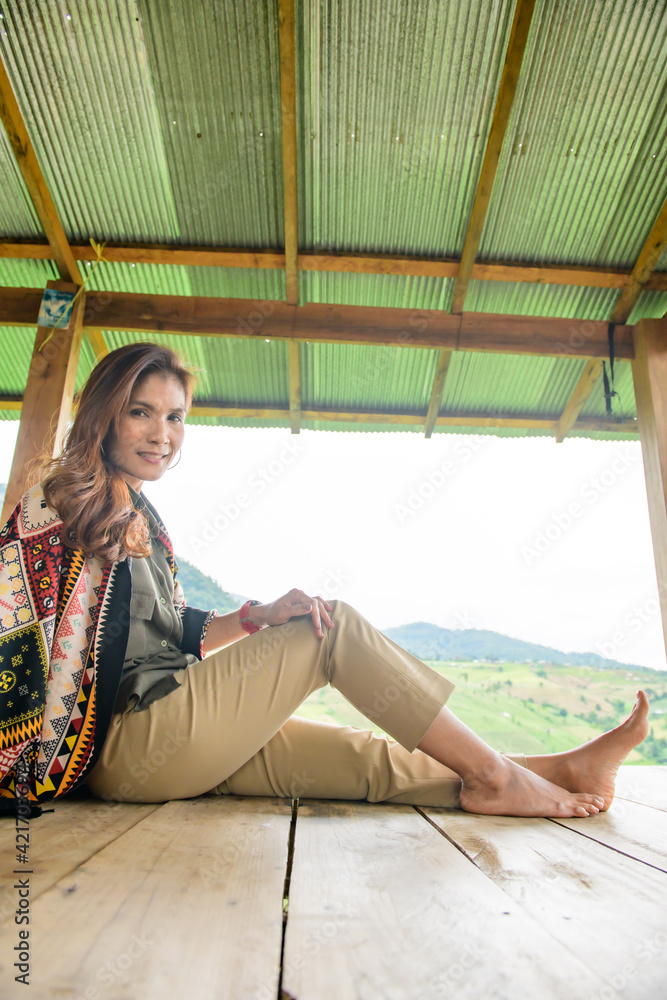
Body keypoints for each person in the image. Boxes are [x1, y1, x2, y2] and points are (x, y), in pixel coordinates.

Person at [0, 343, 649, 818]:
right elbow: (14, 625)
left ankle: (554, 771)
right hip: (125, 744)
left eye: (175, 417)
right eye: (141, 413)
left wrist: (255, 618)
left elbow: (171, 634)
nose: (163, 435)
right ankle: (496, 776)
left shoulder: (138, 513)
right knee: (327, 629)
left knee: (363, 759)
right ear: (104, 415)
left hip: (168, 736)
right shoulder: (64, 502)